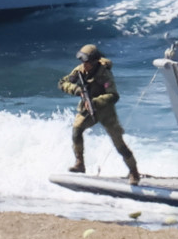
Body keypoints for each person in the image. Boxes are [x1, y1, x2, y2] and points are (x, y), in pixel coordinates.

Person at [60, 44, 140, 184]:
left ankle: (134, 172)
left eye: (87, 62)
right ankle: (80, 163)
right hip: (87, 109)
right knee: (76, 131)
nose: (84, 65)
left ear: (94, 61)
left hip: (106, 112)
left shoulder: (105, 74)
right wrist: (77, 90)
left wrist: (95, 102)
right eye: (83, 62)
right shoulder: (79, 71)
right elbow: (62, 83)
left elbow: (113, 96)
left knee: (119, 144)